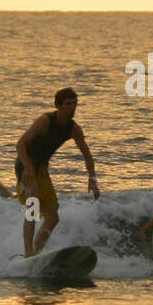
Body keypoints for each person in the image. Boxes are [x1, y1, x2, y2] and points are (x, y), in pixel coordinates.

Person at [15, 87, 99, 257]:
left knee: (53, 217)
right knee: (33, 203)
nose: (72, 107)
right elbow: (20, 144)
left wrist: (92, 180)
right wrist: (29, 168)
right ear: (58, 105)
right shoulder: (45, 121)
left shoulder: (73, 129)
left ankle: (36, 253)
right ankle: (28, 252)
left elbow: (88, 157)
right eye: (68, 104)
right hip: (25, 165)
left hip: (42, 169)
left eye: (75, 104)